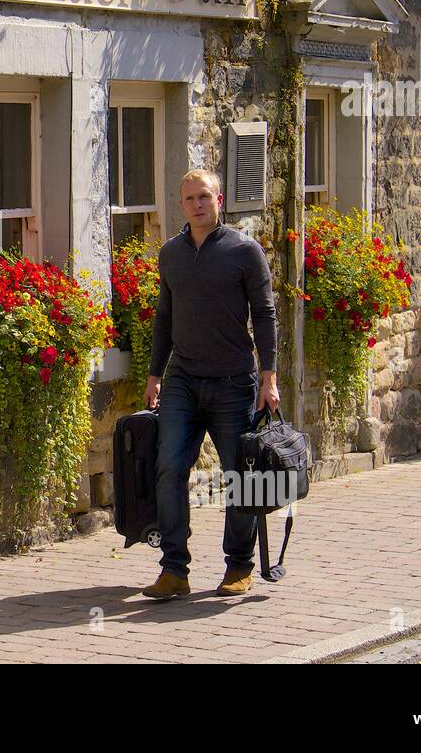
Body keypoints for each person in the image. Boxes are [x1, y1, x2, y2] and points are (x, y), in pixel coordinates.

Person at [141, 168, 279, 599]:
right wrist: (154, 375)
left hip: (234, 381)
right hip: (183, 380)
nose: (198, 205)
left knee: (241, 475)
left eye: (205, 197)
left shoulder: (245, 251)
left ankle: (239, 565)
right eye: (189, 199)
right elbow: (164, 317)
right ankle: (174, 569)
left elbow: (266, 314)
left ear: (219, 200)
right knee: (169, 468)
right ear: (180, 205)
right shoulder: (171, 254)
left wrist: (269, 379)